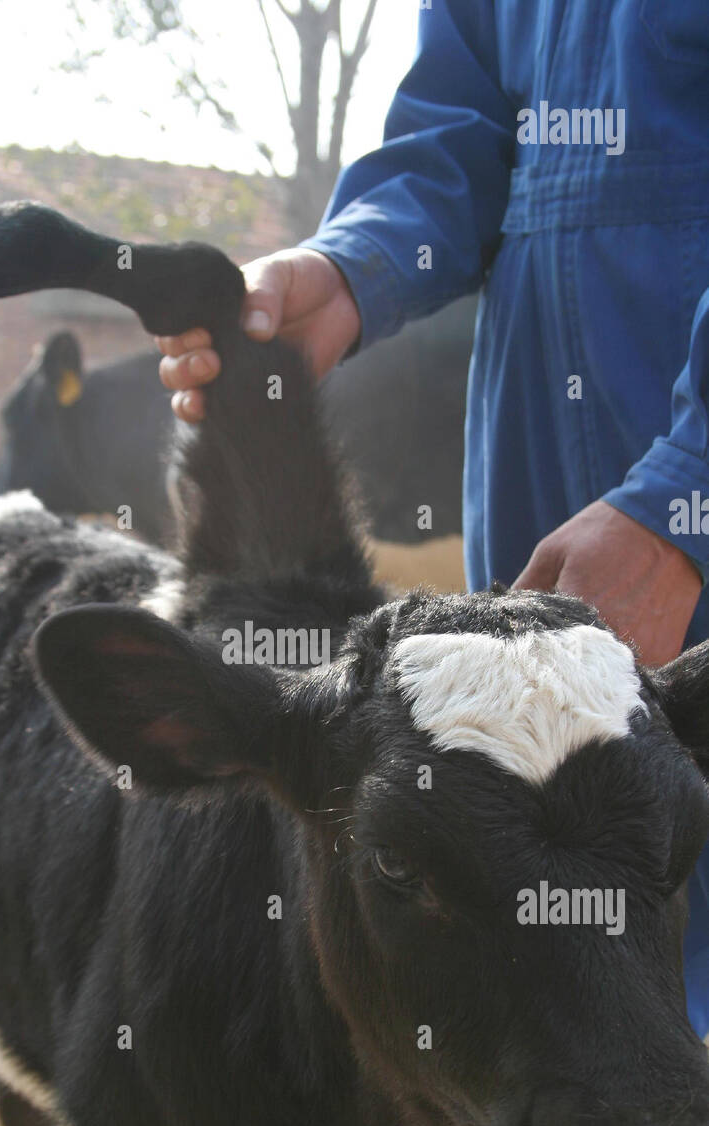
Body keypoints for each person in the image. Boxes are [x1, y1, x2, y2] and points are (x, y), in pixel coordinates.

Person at [157, 1, 709, 1040]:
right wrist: (350, 270)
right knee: (570, 960)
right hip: (543, 469)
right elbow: (456, 137)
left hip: (671, 468)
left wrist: (682, 501)